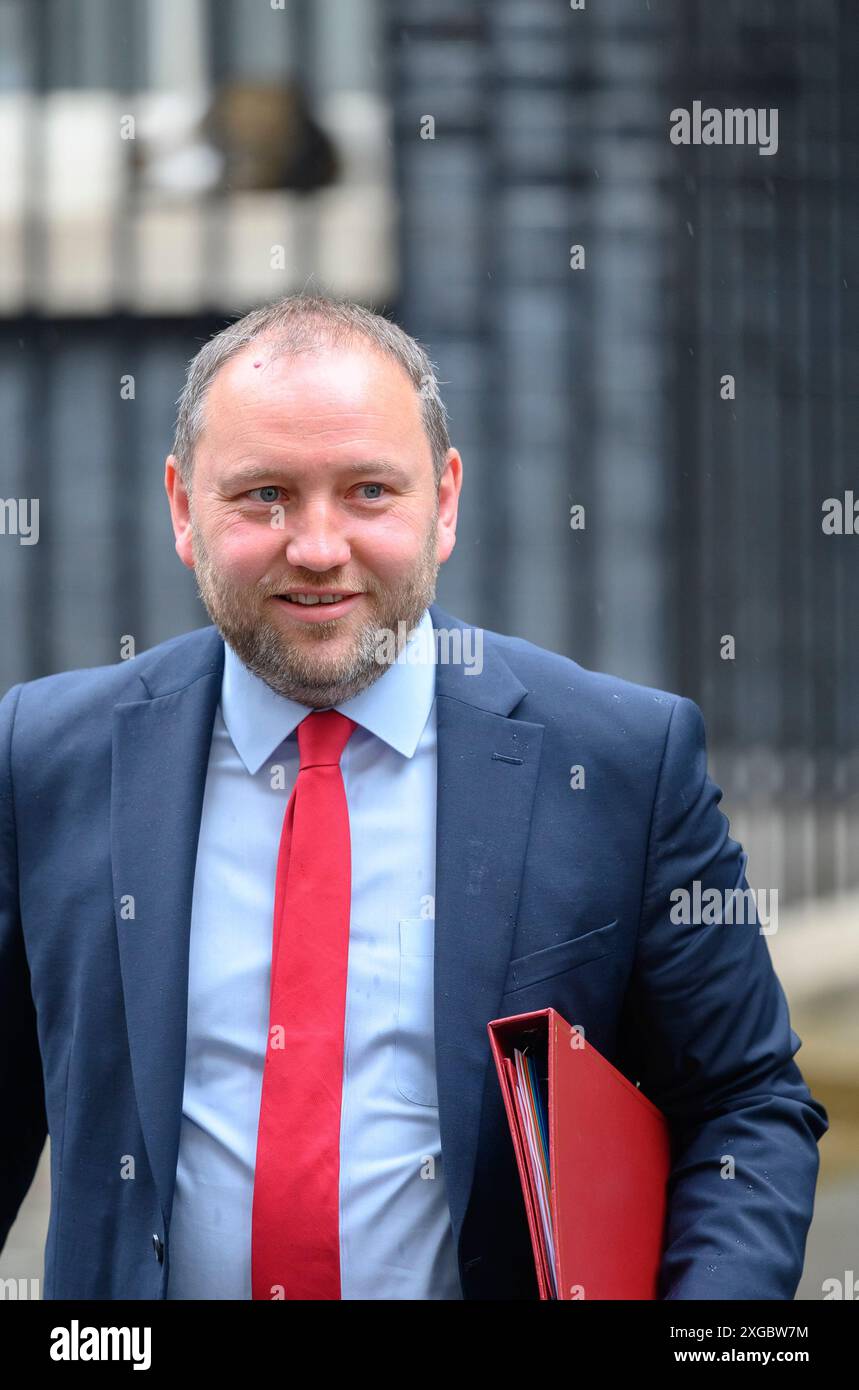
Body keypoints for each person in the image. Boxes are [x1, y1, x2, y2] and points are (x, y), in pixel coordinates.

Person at [0, 293, 828, 1300]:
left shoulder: (621, 760)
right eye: (263, 494)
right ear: (182, 507)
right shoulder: (46, 756)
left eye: (366, 492)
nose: (314, 545)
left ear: (443, 501)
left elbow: (745, 1103)